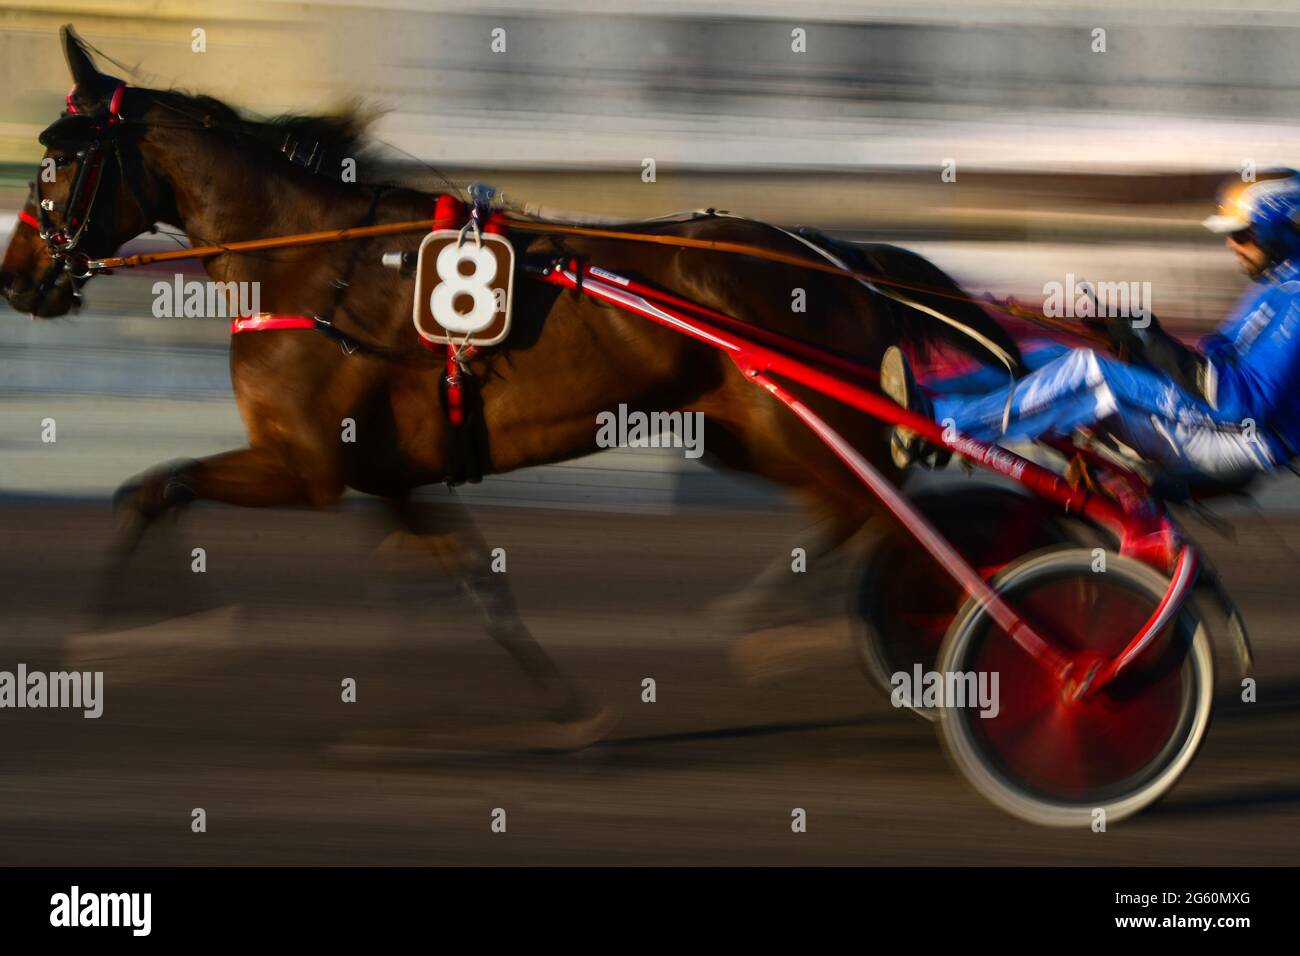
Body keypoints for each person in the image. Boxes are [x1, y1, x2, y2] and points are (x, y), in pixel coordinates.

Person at [882, 168, 1300, 490]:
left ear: (1280, 228)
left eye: (1242, 234)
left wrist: (1149, 342)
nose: (1231, 244)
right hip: (1220, 419)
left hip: (1240, 440)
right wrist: (1139, 339)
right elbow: (1213, 361)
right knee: (1052, 355)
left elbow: (1239, 401)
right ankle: (931, 390)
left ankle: (942, 426)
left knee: (1090, 373)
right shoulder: (1278, 283)